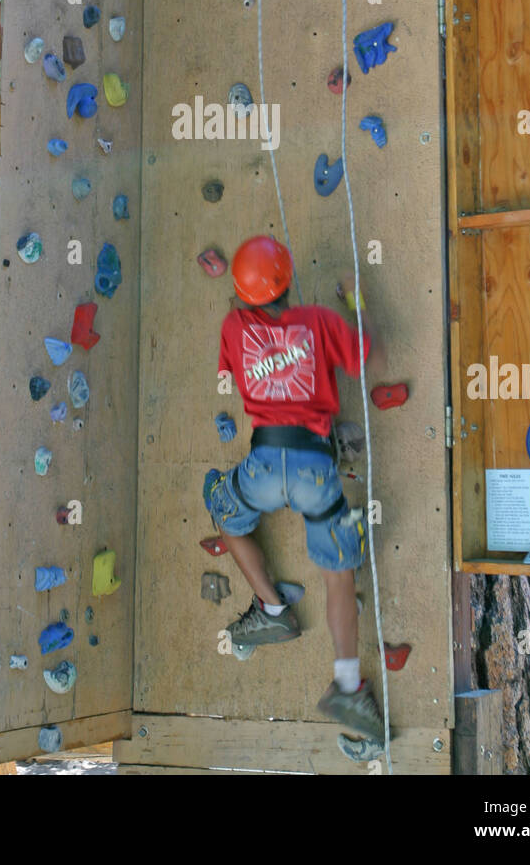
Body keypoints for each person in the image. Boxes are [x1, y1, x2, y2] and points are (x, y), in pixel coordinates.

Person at [206, 234, 386, 743]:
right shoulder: (320, 322)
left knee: (225, 509)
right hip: (314, 468)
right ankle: (348, 686)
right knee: (338, 575)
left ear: (242, 294)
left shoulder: (233, 325)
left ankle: (272, 610)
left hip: (263, 465)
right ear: (287, 281)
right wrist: (355, 298)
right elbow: (363, 352)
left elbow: (230, 369)